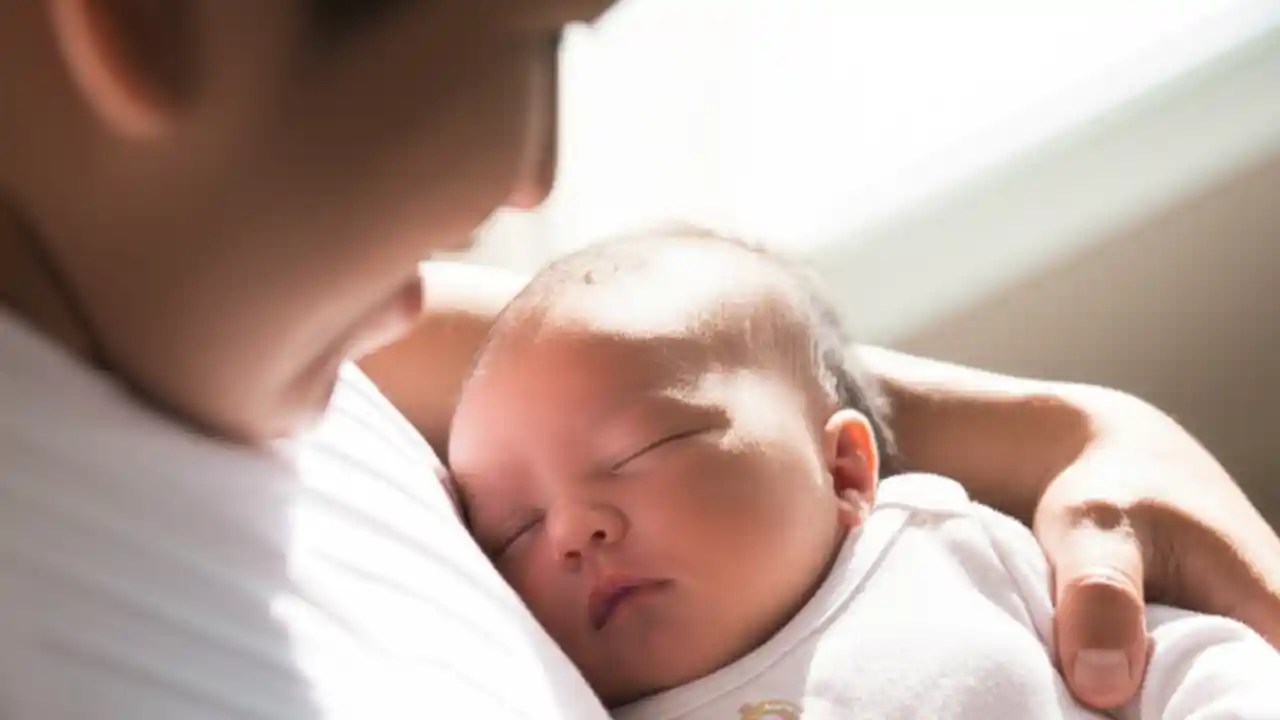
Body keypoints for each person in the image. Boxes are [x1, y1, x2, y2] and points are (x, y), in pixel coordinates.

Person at [0, 2, 1277, 717]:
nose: (534, 174)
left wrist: (1062, 431)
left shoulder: (223, 299)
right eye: (526, 41)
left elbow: (730, 374)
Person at [445, 232, 1280, 717]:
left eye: (643, 450)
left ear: (844, 468)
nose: (571, 531)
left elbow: (1198, 666)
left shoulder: (945, 552)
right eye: (514, 529)